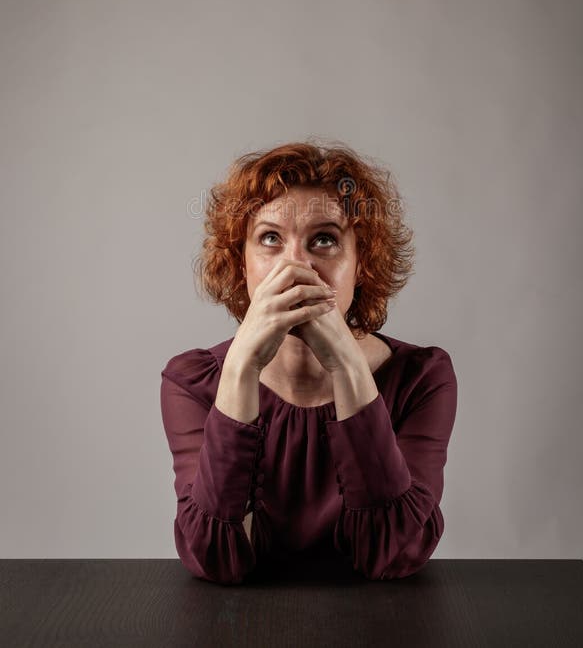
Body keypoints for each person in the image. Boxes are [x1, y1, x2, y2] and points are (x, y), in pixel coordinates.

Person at [160, 140, 457, 584]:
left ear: (362, 264)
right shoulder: (191, 383)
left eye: (324, 240)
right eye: (270, 239)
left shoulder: (420, 379)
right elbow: (215, 558)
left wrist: (345, 363)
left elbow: (393, 552)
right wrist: (240, 368)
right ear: (242, 265)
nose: (296, 265)